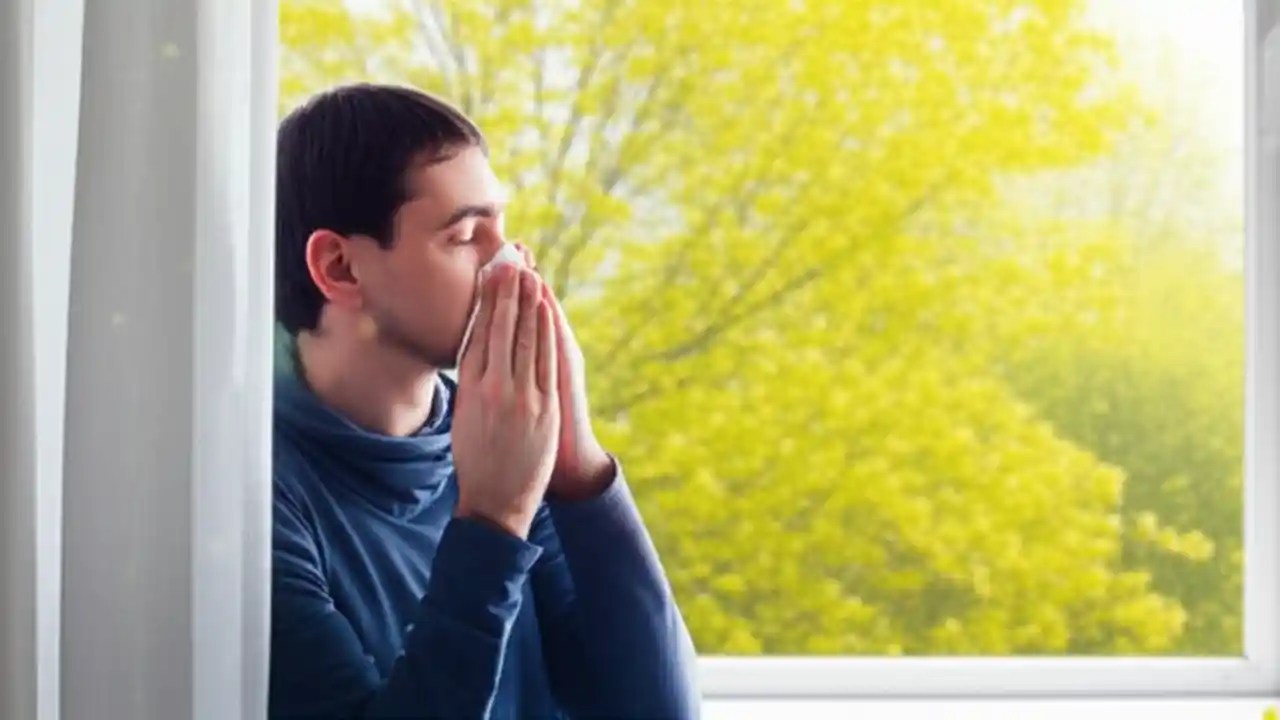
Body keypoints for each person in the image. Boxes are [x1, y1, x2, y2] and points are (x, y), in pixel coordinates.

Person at [269, 83, 700, 718]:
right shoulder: (256, 498)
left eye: (502, 227)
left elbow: (656, 711)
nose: (509, 260)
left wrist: (576, 465)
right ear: (340, 267)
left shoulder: (500, 432)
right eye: (465, 233)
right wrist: (493, 521)